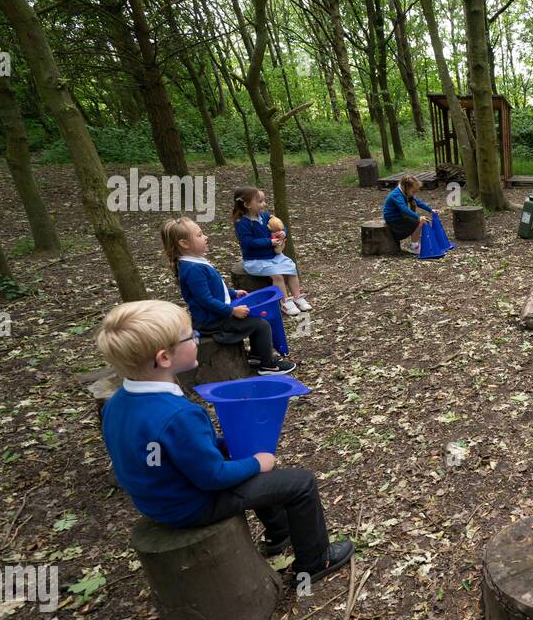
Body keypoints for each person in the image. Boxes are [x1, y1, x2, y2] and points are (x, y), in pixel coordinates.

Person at [97, 299, 353, 581]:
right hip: (191, 505)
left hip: (157, 500)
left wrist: (223, 446)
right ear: (164, 358)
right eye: (190, 336)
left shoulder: (117, 403)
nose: (196, 338)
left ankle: (280, 536)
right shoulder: (178, 414)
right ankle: (316, 561)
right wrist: (256, 463)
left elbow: (164, 450)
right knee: (300, 483)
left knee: (254, 467)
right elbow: (213, 477)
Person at [160, 216, 296, 375]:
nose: (205, 237)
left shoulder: (195, 262)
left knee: (254, 319)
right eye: (199, 235)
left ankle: (256, 355)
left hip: (216, 314)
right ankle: (267, 365)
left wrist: (233, 293)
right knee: (261, 324)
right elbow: (205, 300)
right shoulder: (192, 269)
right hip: (211, 321)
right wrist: (232, 311)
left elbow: (214, 289)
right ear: (184, 244)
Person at [234, 187, 310, 317]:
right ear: (247, 205)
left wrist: (282, 232)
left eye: (264, 200)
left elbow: (279, 225)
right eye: (259, 201)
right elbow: (248, 242)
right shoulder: (242, 223)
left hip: (273, 256)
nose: (264, 204)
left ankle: (297, 297)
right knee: (277, 276)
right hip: (255, 260)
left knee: (291, 268)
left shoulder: (265, 216)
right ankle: (285, 302)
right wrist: (269, 242)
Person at [381, 175, 433, 253]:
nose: (413, 194)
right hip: (393, 219)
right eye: (413, 192)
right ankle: (414, 247)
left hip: (399, 216)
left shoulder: (404, 192)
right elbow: (404, 209)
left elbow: (417, 202)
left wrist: (430, 210)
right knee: (419, 222)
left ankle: (414, 244)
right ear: (406, 188)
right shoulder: (396, 195)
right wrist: (418, 217)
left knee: (420, 221)